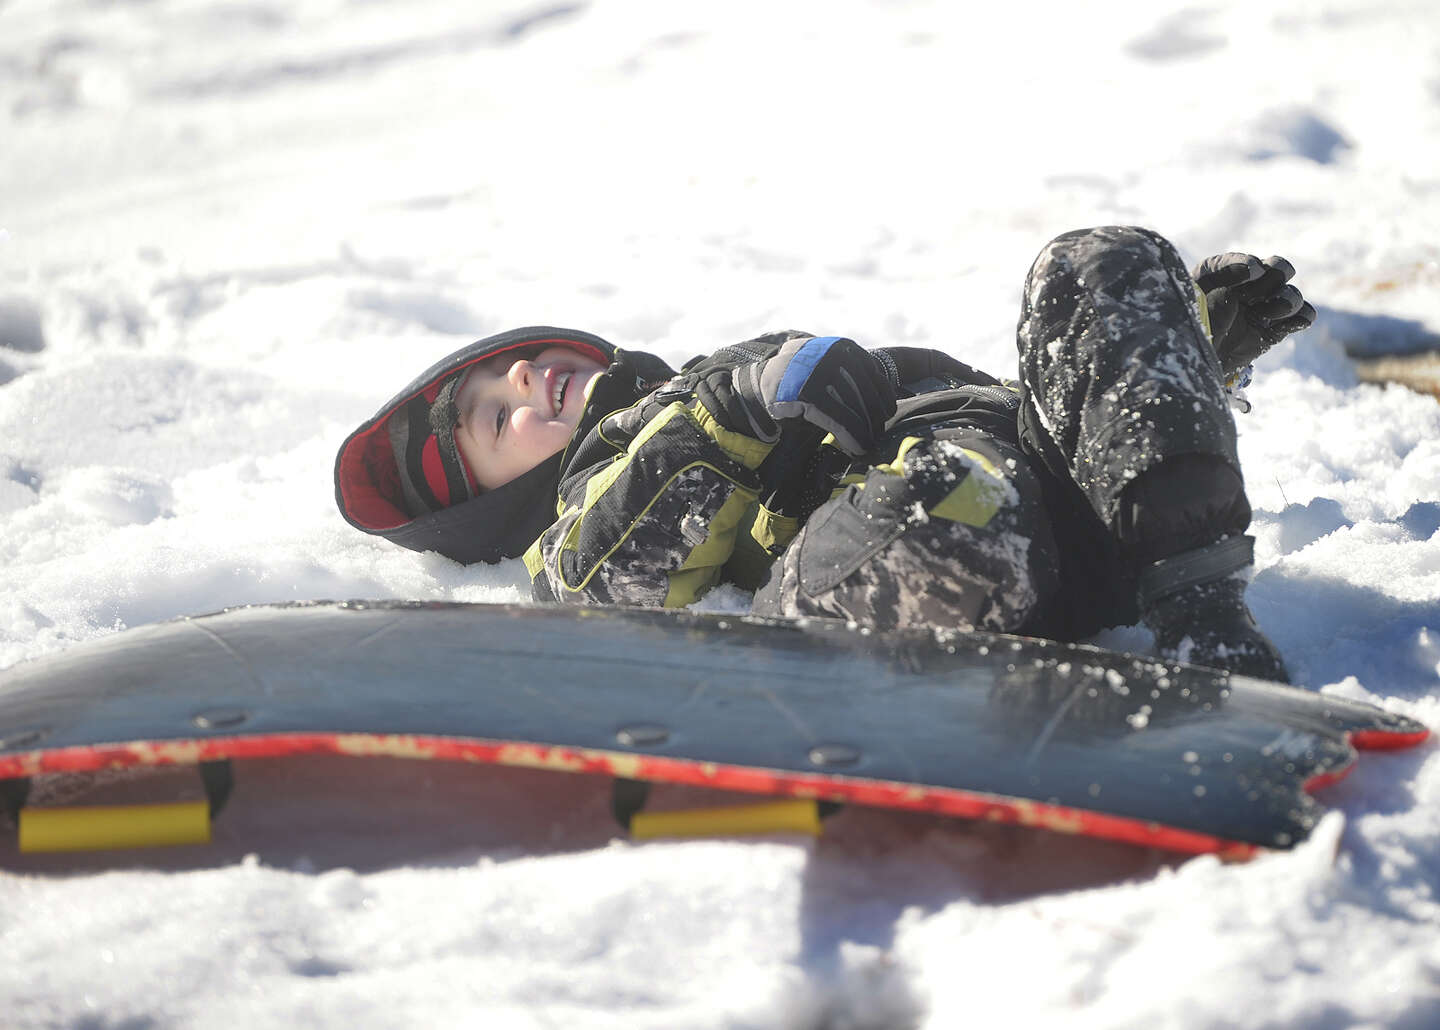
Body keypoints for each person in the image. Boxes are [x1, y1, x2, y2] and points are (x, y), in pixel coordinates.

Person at [334, 226, 1315, 681]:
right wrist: (732, 407)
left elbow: (1004, 407)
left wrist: (1161, 358)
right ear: (500, 508)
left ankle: (1203, 615)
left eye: (506, 370)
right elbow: (603, 588)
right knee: (940, 495)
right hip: (918, 555)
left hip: (1056, 490)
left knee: (1094, 261)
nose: (522, 387)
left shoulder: (716, 372)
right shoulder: (596, 492)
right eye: (494, 424)